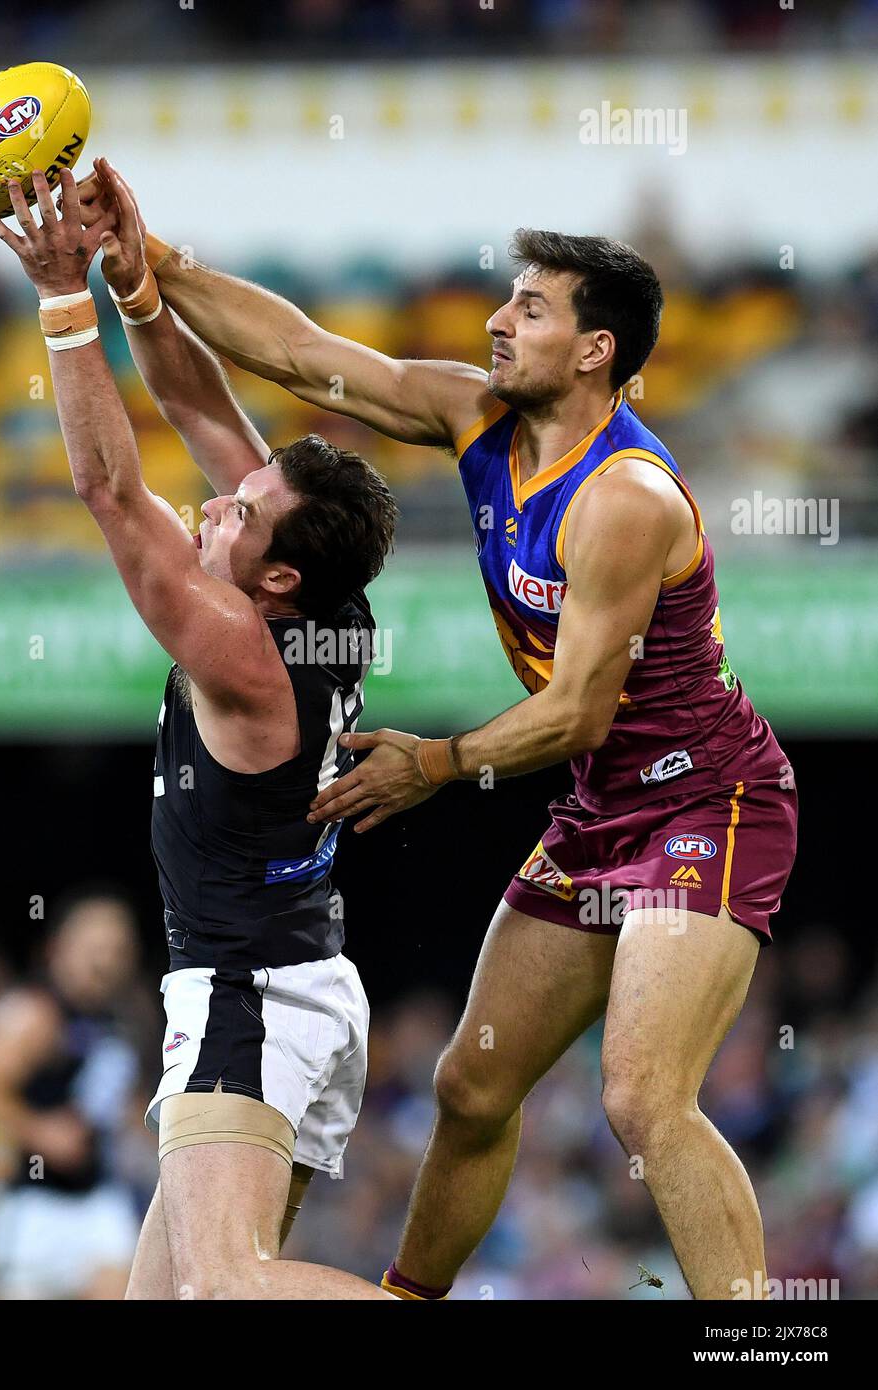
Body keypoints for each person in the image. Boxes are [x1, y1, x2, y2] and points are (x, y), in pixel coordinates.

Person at [73, 167, 797, 1300]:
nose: (499, 322)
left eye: (531, 309)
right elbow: (306, 353)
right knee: (470, 1087)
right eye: (507, 301)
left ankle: (758, 1331)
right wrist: (151, 267)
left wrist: (440, 762)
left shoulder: (625, 498)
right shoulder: (481, 419)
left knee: (640, 1096)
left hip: (704, 799)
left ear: (595, 350)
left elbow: (577, 712)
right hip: (601, 809)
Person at [0, 166, 397, 1299]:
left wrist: (62, 298)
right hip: (296, 980)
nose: (219, 498)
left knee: (220, 1287)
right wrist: (136, 284)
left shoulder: (242, 656)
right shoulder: (326, 613)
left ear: (276, 577)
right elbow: (206, 416)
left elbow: (114, 495)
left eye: (240, 511)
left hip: (246, 995)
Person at [0, 894, 142, 1298]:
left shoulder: (117, 1018)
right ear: (60, 947)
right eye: (93, 948)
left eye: (117, 949)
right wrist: (39, 1132)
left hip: (97, 1201)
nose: (105, 960)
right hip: (31, 1205)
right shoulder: (35, 1011)